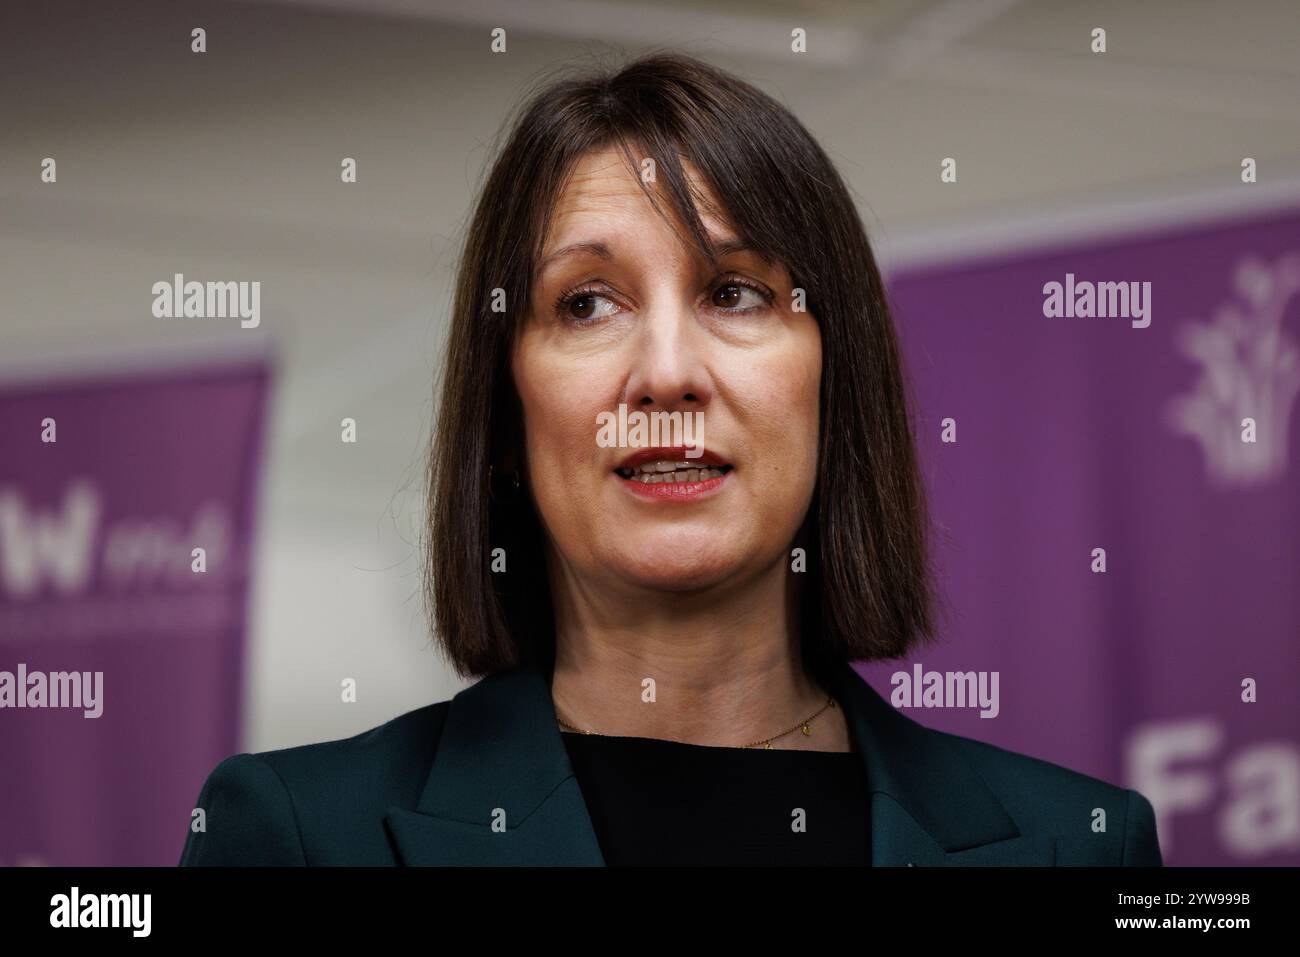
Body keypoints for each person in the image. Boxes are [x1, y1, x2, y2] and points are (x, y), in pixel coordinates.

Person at [179, 52, 1162, 867]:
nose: (664, 374)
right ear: (507, 411)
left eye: (735, 293)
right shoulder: (296, 837)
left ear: (833, 385)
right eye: (586, 303)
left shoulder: (1084, 847)